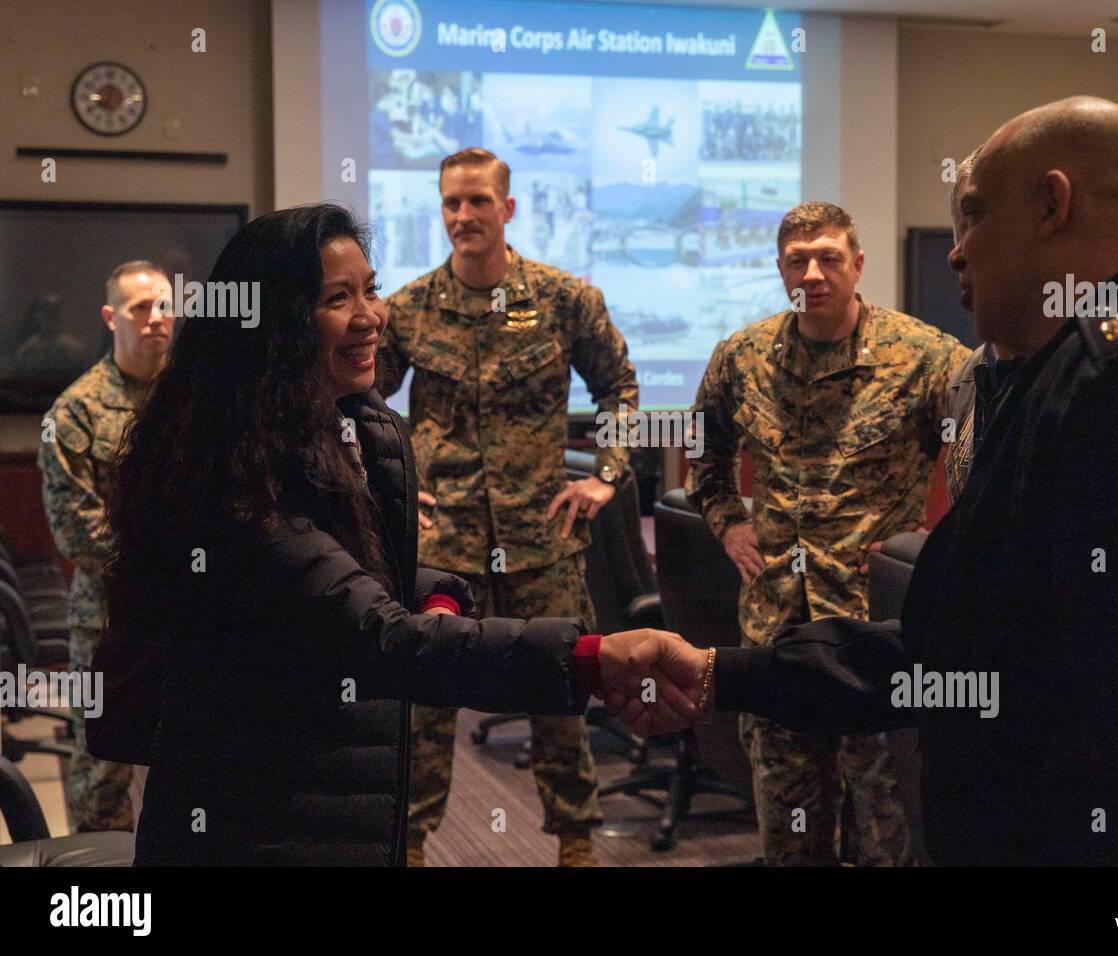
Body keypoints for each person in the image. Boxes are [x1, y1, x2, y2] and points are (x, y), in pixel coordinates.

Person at [611, 97, 1118, 866]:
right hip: (801, 633)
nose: (955, 252)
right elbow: (989, 646)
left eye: (972, 215)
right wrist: (724, 668)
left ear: (1052, 204)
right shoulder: (1108, 357)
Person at [92, 204, 682, 866]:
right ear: (276, 323)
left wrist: (433, 589)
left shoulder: (343, 429)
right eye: (337, 298)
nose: (372, 315)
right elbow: (378, 635)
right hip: (260, 821)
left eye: (369, 289)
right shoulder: (230, 469)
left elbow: (354, 582)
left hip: (331, 799)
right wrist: (587, 658)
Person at [686, 201, 969, 866]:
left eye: (829, 258)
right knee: (790, 830)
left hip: (875, 634)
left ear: (858, 264)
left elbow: (982, 455)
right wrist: (728, 522)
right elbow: (704, 451)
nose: (812, 273)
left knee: (888, 832)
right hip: (778, 629)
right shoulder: (744, 356)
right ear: (780, 268)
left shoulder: (922, 357)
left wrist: (940, 555)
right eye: (796, 260)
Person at [378, 147, 638, 867]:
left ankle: (577, 847)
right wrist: (384, 484)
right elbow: (355, 402)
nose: (464, 216)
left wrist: (607, 476)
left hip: (542, 539)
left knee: (560, 700)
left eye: (478, 202)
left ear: (508, 209)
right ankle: (411, 848)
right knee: (425, 706)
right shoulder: (408, 309)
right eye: (451, 204)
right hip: (442, 543)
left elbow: (619, 384)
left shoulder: (563, 299)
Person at [39, 260, 174, 833]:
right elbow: (78, 529)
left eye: (165, 305)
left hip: (200, 614)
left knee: (200, 755)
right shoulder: (76, 410)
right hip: (110, 618)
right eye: (140, 307)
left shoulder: (197, 399)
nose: (155, 319)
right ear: (109, 317)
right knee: (103, 765)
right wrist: (168, 572)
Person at [943, 148, 1025, 502]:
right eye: (957, 231)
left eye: (976, 225)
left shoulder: (1094, 371)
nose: (956, 255)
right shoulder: (971, 373)